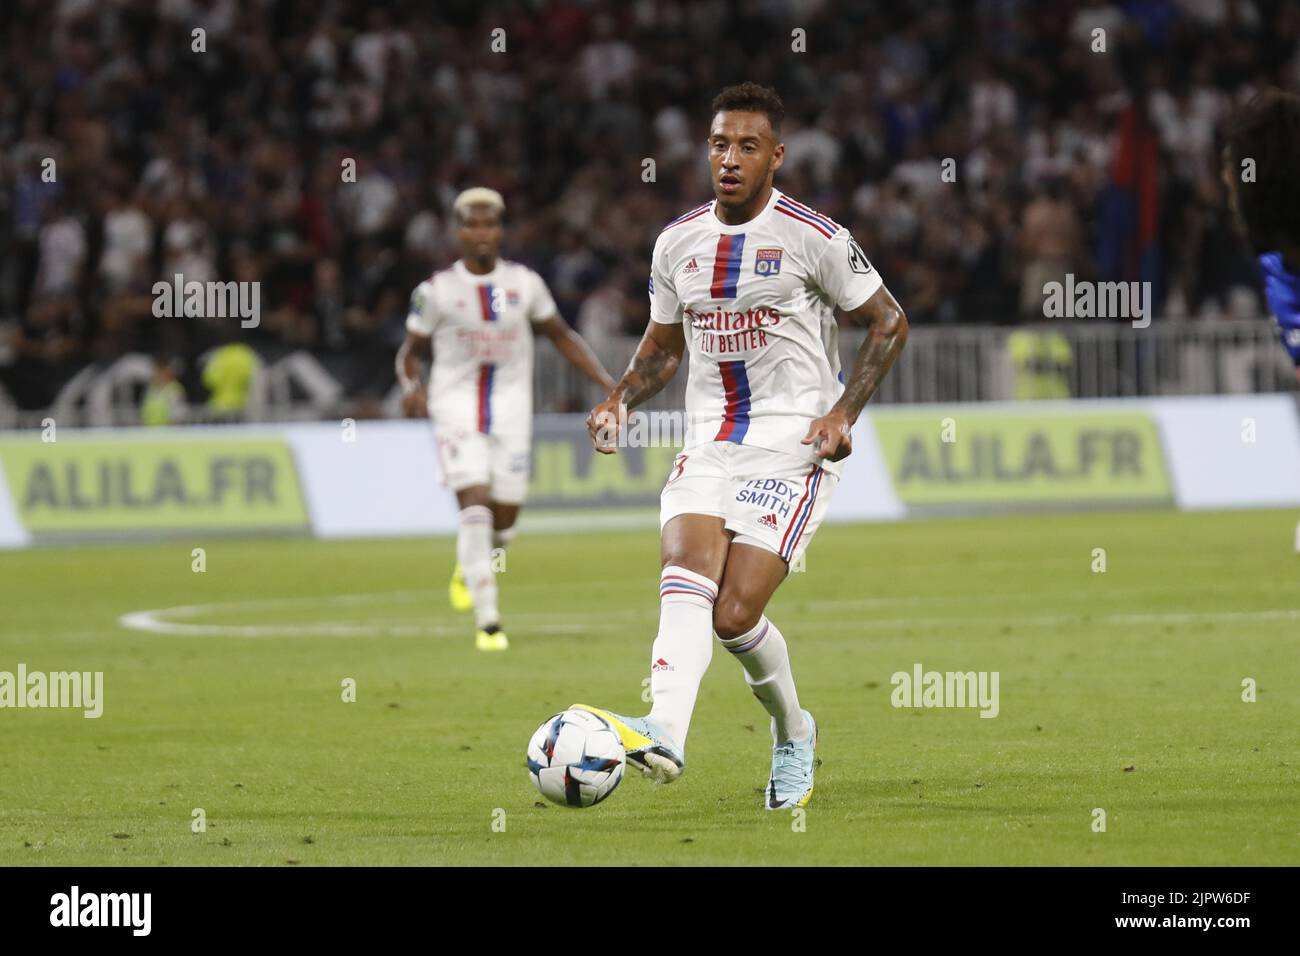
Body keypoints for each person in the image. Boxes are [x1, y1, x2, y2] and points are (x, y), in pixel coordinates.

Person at [576, 83, 908, 809]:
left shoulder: (814, 237)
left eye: (747, 146)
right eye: (720, 144)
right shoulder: (677, 243)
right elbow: (662, 351)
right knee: (683, 569)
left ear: (776, 156)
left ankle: (795, 733)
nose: (730, 158)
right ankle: (664, 728)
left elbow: (889, 322)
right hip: (708, 441)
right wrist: (619, 399)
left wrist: (842, 413)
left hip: (792, 448)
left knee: (733, 615)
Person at [397, 188, 614, 651]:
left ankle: (471, 564)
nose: (481, 233)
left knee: (505, 521)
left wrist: (608, 382)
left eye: (489, 224)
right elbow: (409, 353)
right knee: (474, 501)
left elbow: (561, 335)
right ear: (458, 231)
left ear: (500, 230)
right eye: (471, 225)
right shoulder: (435, 292)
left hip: (513, 412)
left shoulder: (525, 284)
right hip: (454, 409)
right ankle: (489, 621)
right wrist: (412, 388)